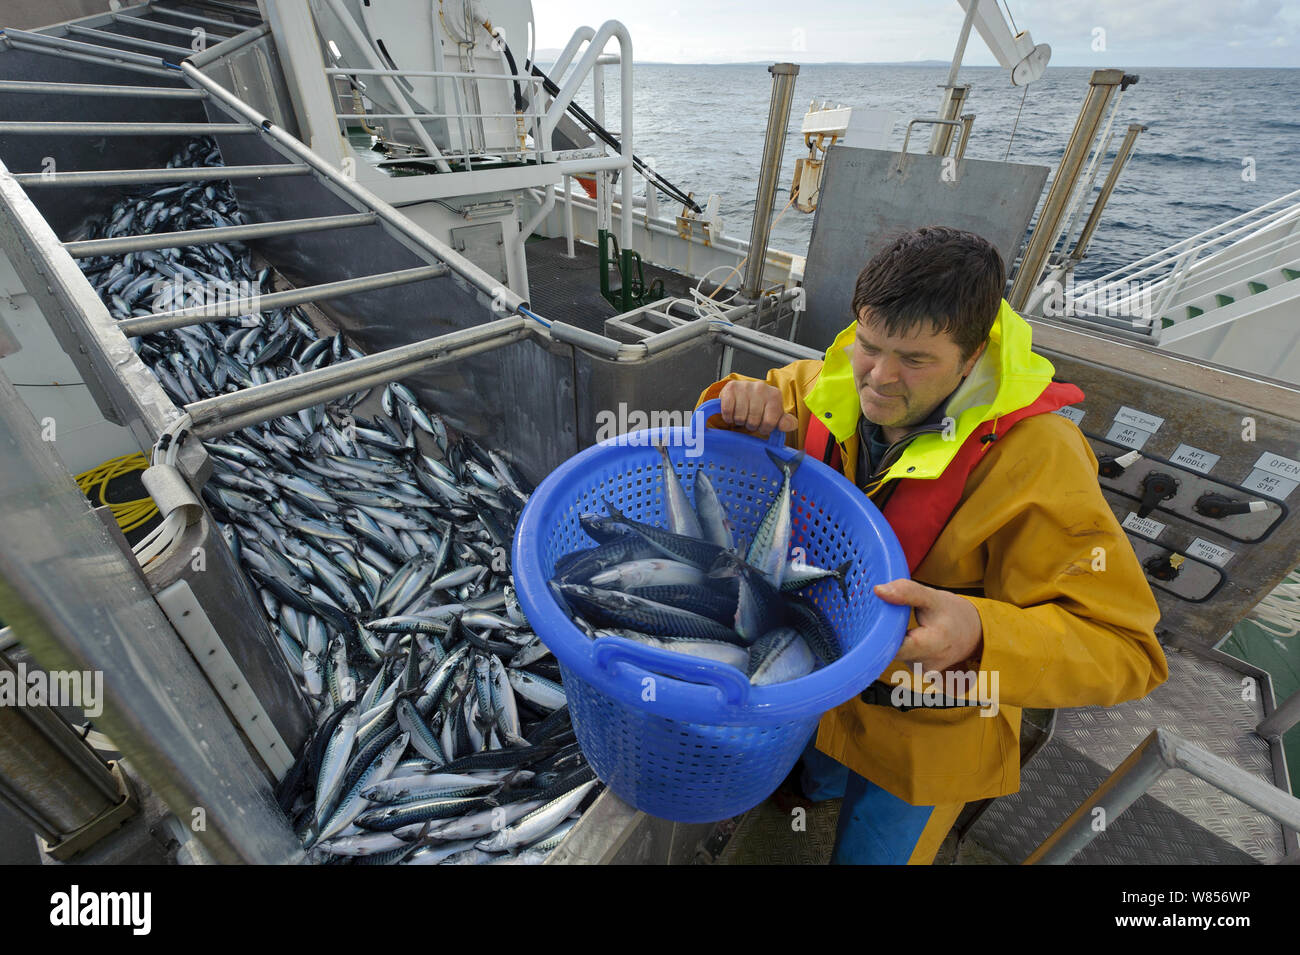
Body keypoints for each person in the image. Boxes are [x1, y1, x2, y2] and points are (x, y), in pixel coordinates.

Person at [697, 226, 1168, 865]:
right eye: (869, 346)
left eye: (916, 361)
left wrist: (981, 631)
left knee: (875, 854)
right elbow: (747, 422)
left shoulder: (1042, 459)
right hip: (816, 680)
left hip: (926, 723)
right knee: (813, 783)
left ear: (973, 356)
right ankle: (816, 785)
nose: (881, 380)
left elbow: (1127, 651)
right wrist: (734, 406)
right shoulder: (823, 383)